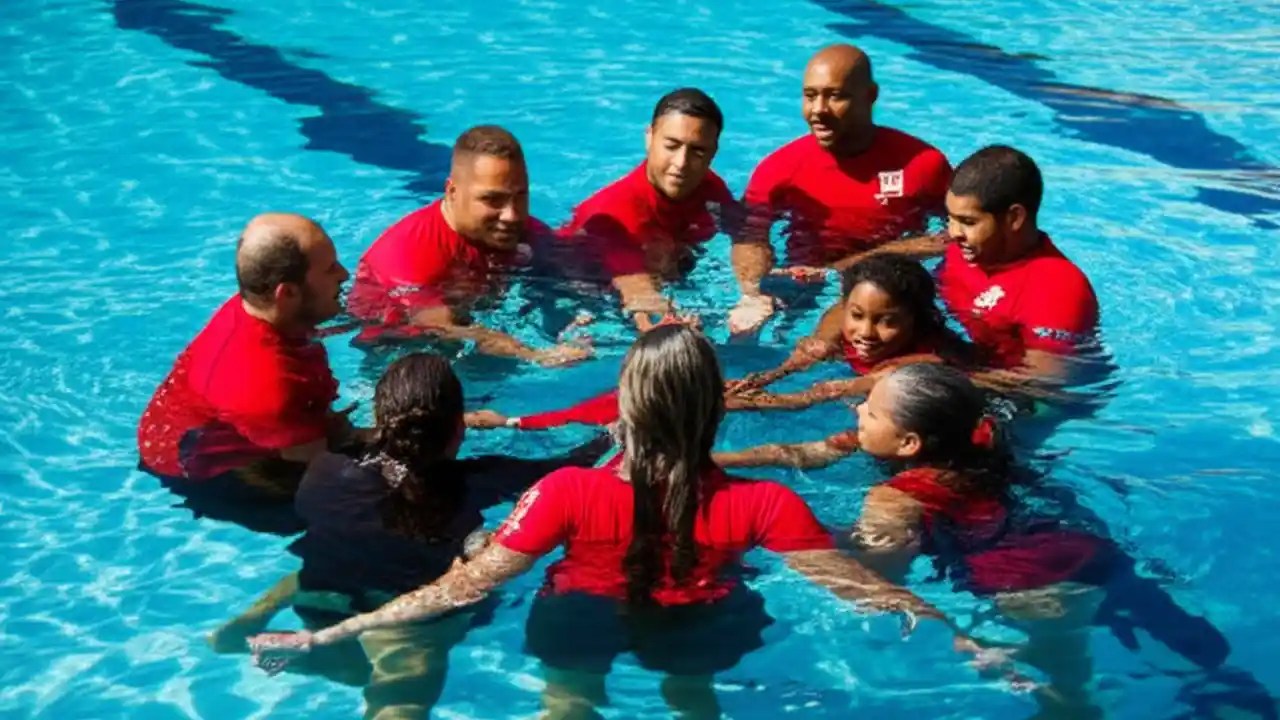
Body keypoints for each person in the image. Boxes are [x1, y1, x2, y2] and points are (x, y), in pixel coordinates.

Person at [248, 326, 1003, 719]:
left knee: (566, 705)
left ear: (626, 407)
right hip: (702, 623)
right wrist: (957, 632)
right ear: (716, 408)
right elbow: (856, 588)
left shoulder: (566, 493)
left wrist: (328, 635)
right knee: (695, 704)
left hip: (578, 617)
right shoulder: (764, 504)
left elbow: (462, 586)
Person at [847, 363, 1272, 718]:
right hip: (1093, 551)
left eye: (872, 412)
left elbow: (881, 575)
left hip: (1030, 587)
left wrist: (831, 545)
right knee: (1195, 653)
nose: (858, 409)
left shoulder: (895, 496)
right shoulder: (995, 449)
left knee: (1068, 695)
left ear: (908, 443)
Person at [209, 352, 610, 718]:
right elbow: (569, 469)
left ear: (379, 417)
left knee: (342, 556)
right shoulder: (474, 481)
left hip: (318, 602)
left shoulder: (326, 468)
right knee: (401, 698)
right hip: (403, 621)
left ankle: (259, 618)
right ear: (458, 429)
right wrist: (614, 433)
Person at [137, 213, 356, 530]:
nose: (344, 273)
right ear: (287, 294)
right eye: (330, 269)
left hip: (191, 431)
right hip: (208, 475)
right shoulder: (267, 383)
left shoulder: (258, 309)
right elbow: (321, 469)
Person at [729, 43, 952, 334]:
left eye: (835, 96)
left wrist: (848, 266)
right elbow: (749, 237)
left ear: (870, 96)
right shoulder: (779, 170)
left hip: (892, 295)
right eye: (810, 96)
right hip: (804, 284)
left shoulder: (923, 165)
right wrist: (752, 293)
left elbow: (957, 236)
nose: (818, 110)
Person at [347, 124, 592, 366]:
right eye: (492, 199)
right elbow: (439, 327)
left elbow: (575, 277)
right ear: (452, 191)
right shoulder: (409, 252)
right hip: (399, 354)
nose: (512, 215)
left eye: (520, 196)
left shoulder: (524, 230)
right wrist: (537, 356)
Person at [713, 254, 961, 468]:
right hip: (865, 391)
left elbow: (821, 393)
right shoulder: (843, 317)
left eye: (887, 321)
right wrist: (763, 378)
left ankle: (717, 462)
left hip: (917, 417)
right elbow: (804, 357)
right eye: (857, 315)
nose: (865, 332)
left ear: (918, 321)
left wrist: (751, 402)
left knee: (841, 442)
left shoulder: (923, 363)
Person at [561, 88, 735, 331]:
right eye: (671, 145)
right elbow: (639, 294)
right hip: (576, 292)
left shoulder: (710, 188)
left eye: (697, 151)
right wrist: (671, 322)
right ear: (649, 137)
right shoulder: (612, 214)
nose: (681, 164)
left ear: (713, 152)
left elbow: (743, 238)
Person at [937, 145, 1099, 385]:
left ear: (1015, 218)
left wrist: (933, 378)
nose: (953, 233)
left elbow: (1046, 386)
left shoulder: (1057, 288)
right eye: (950, 219)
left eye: (968, 222)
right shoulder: (970, 248)